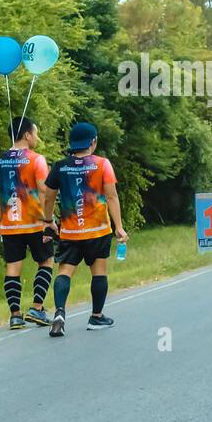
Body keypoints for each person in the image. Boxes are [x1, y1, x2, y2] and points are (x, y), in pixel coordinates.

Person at [40, 122, 129, 336]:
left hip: (70, 233)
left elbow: (49, 195)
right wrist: (119, 227)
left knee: (64, 271)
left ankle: (60, 313)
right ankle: (96, 317)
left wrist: (48, 221)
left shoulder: (60, 166)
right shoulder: (102, 164)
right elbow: (111, 196)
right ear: (93, 142)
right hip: (98, 231)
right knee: (99, 271)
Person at [0, 117, 55, 329]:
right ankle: (37, 308)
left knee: (13, 267)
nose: (37, 137)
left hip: (9, 224)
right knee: (46, 261)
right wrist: (49, 220)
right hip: (35, 223)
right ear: (26, 135)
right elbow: (44, 191)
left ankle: (15, 315)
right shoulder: (37, 160)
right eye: (35, 133)